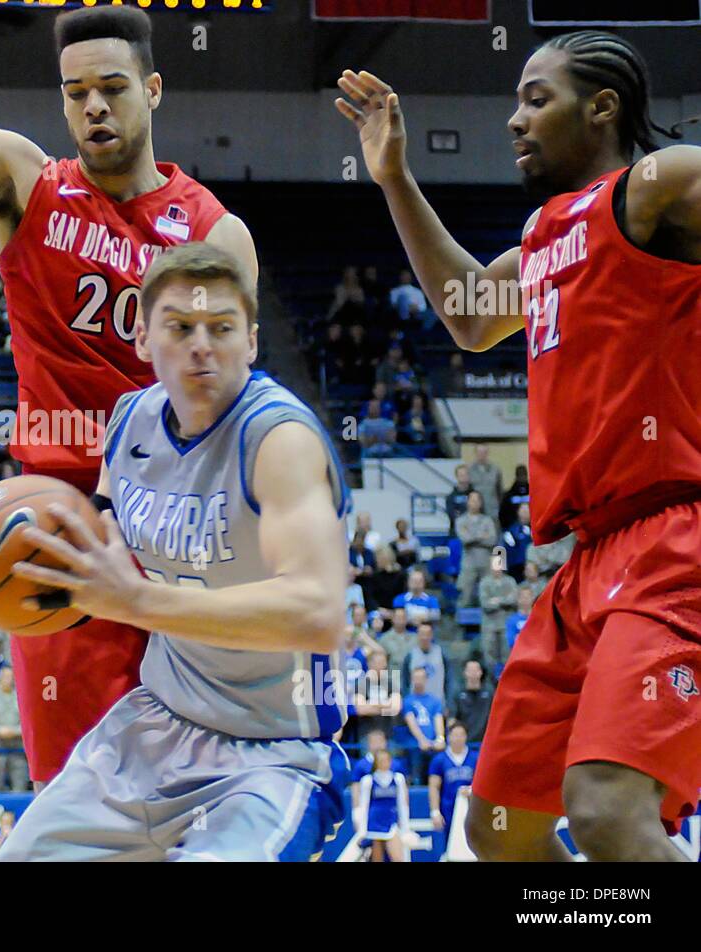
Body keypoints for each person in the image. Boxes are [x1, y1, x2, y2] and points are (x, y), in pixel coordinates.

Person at [0, 2, 258, 791]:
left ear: (153, 89)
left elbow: (234, 415)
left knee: (197, 799)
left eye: (112, 88)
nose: (93, 106)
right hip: (54, 530)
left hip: (172, 527)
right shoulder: (24, 187)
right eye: (75, 91)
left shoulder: (215, 236)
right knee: (75, 798)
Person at [339, 36, 701, 861]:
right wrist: (393, 174)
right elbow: (468, 316)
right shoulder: (542, 238)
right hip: (584, 562)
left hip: (676, 540)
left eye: (538, 98)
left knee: (608, 810)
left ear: (601, 108)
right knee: (500, 831)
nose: (515, 118)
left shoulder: (659, 187)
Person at [0, 243, 347, 861]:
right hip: (151, 727)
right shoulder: (130, 422)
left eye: (222, 328)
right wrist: (18, 562)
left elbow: (316, 612)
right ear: (144, 340)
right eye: (180, 327)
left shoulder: (279, 439)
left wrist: (138, 600)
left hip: (270, 756)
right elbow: (97, 525)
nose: (201, 345)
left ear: (253, 342)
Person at [428, 722, 479, 854]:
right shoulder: (439, 760)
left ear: (466, 737)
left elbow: (482, 782)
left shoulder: (475, 757)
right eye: (455, 735)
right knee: (450, 846)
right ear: (449, 737)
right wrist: (435, 811)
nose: (458, 738)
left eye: (461, 735)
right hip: (448, 808)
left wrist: (472, 789)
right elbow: (434, 787)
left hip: (472, 809)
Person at [354, 749, 410, 863]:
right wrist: (362, 830)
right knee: (377, 859)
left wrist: (405, 828)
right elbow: (364, 806)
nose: (384, 762)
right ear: (376, 763)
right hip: (374, 823)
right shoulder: (368, 780)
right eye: (381, 760)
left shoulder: (398, 779)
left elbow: (402, 804)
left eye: (387, 760)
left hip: (391, 821)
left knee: (398, 858)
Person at [397, 667, 446, 785]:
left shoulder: (434, 700)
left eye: (421, 678)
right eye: (416, 678)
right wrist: (422, 740)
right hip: (415, 746)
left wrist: (440, 738)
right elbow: (411, 721)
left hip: (433, 746)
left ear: (426, 680)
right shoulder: (408, 701)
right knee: (417, 776)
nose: (418, 681)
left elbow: (438, 719)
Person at [0, 666, 27, 792]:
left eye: (11, 677)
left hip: (18, 748)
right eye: (5, 677)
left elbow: (27, 724)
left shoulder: (22, 697)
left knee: (20, 786)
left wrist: (15, 731)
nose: (8, 680)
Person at [450, 659, 494, 745]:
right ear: (465, 672)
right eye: (470, 670)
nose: (473, 673)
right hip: (464, 743)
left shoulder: (490, 693)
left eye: (476, 670)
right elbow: (452, 719)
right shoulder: (458, 693)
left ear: (480, 672)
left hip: (485, 742)